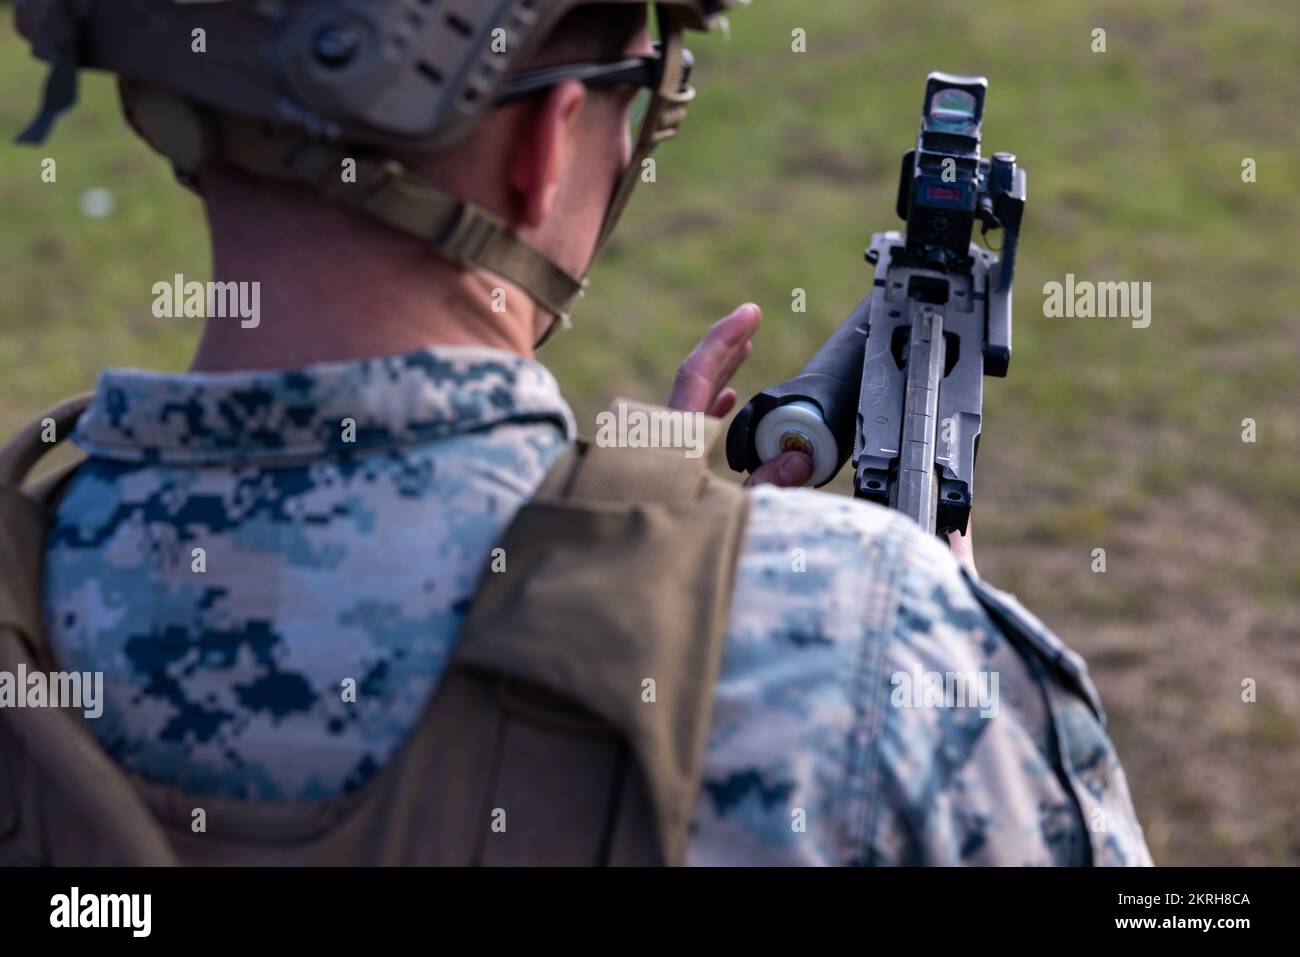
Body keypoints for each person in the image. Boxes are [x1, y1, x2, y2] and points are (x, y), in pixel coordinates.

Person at [13, 0, 1150, 864]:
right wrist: (917, 626)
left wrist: (632, 515)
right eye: (641, 92)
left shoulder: (22, 586)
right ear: (546, 144)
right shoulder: (869, 646)